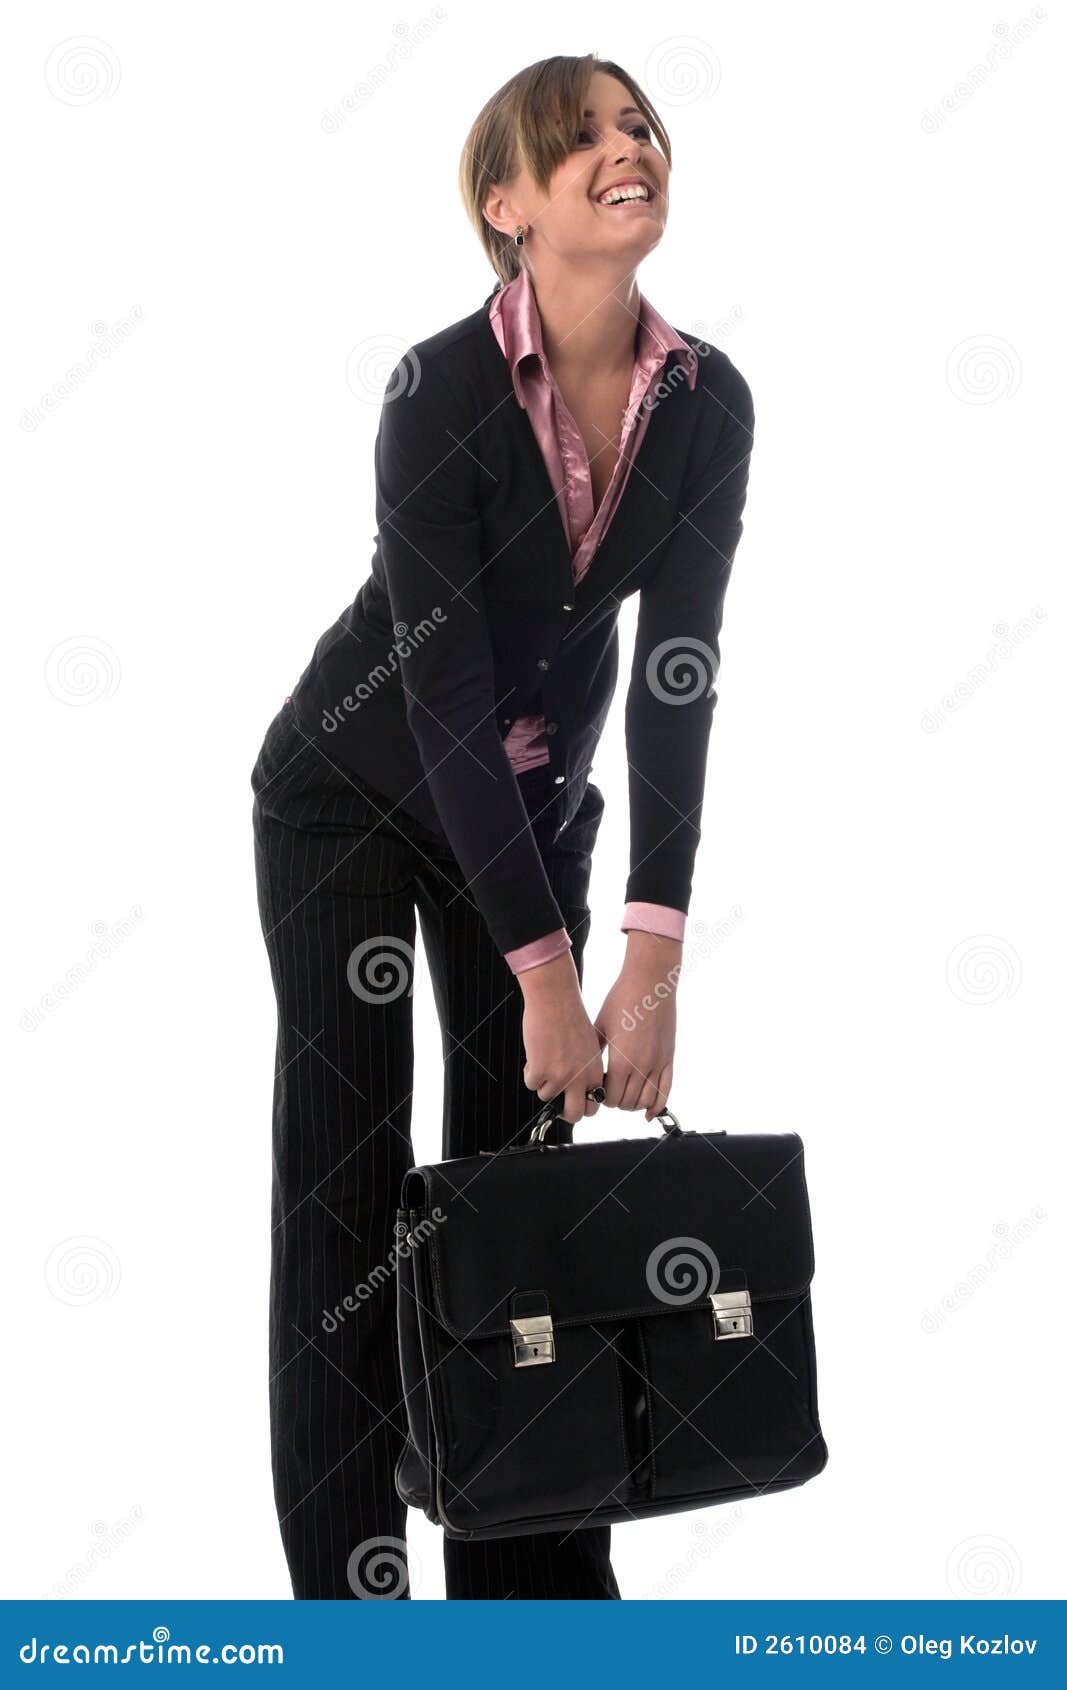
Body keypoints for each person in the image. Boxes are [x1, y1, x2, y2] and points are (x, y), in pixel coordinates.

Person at [251, 51, 755, 1600]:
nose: (629, 145)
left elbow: (676, 679)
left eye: (640, 125)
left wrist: (650, 949)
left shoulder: (705, 399)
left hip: (528, 819)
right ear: (506, 205)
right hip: (351, 794)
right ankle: (357, 1615)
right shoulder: (440, 390)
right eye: (582, 134)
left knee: (515, 1205)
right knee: (352, 1211)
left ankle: (533, 1604)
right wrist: (549, 968)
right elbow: (446, 695)